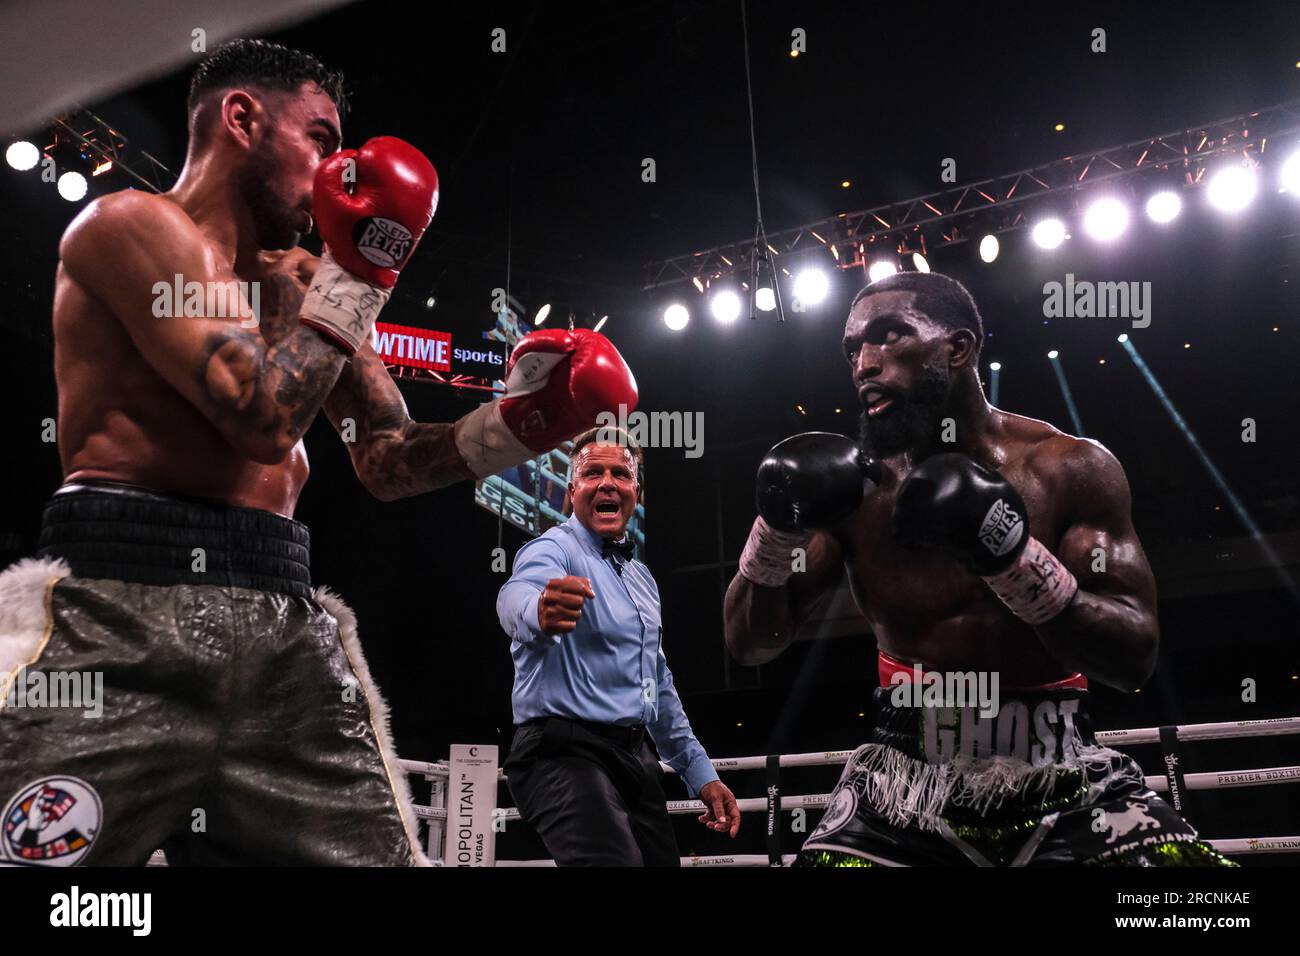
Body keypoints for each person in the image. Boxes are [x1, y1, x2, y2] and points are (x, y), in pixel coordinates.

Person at [0, 38, 636, 866]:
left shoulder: (305, 279)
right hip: (121, 615)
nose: (341, 170)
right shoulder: (128, 227)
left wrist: (524, 423)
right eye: (322, 140)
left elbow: (391, 460)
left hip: (282, 620)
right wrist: (363, 266)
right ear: (241, 118)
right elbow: (258, 417)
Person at [724, 271, 1233, 866]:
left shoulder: (1070, 469)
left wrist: (1013, 559)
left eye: (889, 337)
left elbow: (1132, 656)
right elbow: (751, 645)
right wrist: (774, 532)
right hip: (902, 783)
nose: (864, 363)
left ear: (958, 349)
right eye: (853, 349)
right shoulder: (854, 489)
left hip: (1060, 771)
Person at [497, 428, 739, 866]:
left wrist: (700, 773)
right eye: (592, 472)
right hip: (561, 752)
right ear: (572, 491)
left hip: (633, 758)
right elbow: (513, 597)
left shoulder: (641, 580)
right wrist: (539, 611)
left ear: (634, 491)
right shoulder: (554, 549)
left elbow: (657, 686)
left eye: (620, 474)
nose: (608, 482)